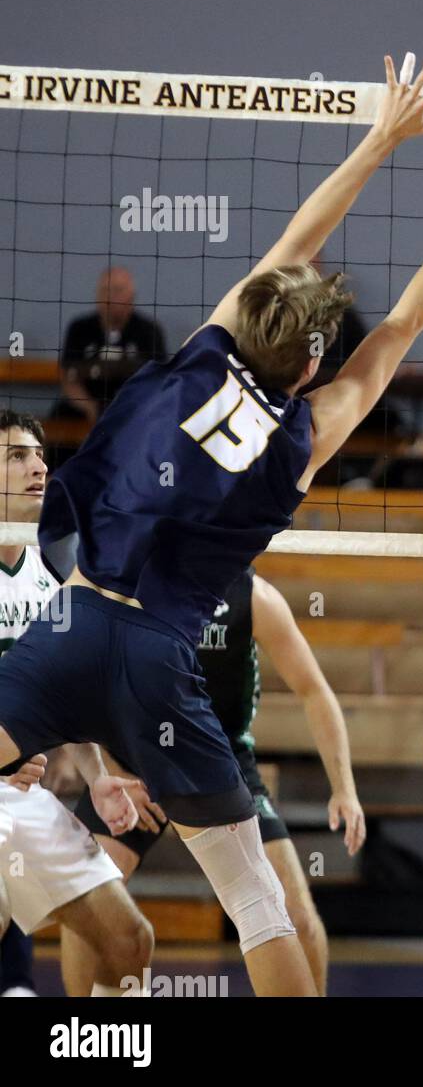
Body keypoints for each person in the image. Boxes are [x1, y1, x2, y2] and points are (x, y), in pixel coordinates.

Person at [0, 53, 423, 996]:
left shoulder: (202, 350)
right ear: (309, 365)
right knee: (258, 902)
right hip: (157, 661)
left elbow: (298, 240)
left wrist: (381, 137)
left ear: (255, 320)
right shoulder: (306, 435)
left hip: (73, 623)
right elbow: (396, 333)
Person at [62, 568, 364, 997]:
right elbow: (81, 684)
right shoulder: (128, 581)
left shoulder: (255, 597)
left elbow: (314, 690)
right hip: (133, 762)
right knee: (88, 898)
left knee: (295, 915)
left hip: (223, 762)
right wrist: (109, 769)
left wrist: (344, 788)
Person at [0, 410, 158, 998]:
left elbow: (59, 693)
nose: (39, 467)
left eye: (41, 455)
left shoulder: (53, 576)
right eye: (17, 456)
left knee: (130, 940)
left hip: (24, 796)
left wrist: (96, 777)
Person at [51, 267, 168, 426]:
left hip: (135, 408)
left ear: (132, 296)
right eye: (105, 290)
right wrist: (89, 407)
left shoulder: (149, 331)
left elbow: (158, 378)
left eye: (117, 290)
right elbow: (67, 376)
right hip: (86, 406)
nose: (110, 297)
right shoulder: (79, 329)